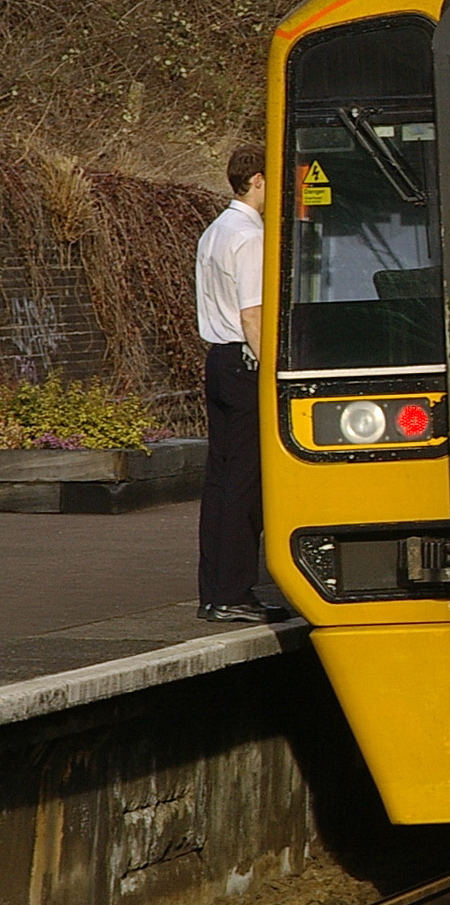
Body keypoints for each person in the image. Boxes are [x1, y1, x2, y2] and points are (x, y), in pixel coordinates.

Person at [194, 146, 269, 622]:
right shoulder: (250, 237)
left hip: (218, 360)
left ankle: (213, 592)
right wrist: (272, 370)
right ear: (257, 180)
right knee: (245, 482)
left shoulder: (215, 231)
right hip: (244, 362)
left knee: (219, 480)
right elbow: (252, 313)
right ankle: (235, 593)